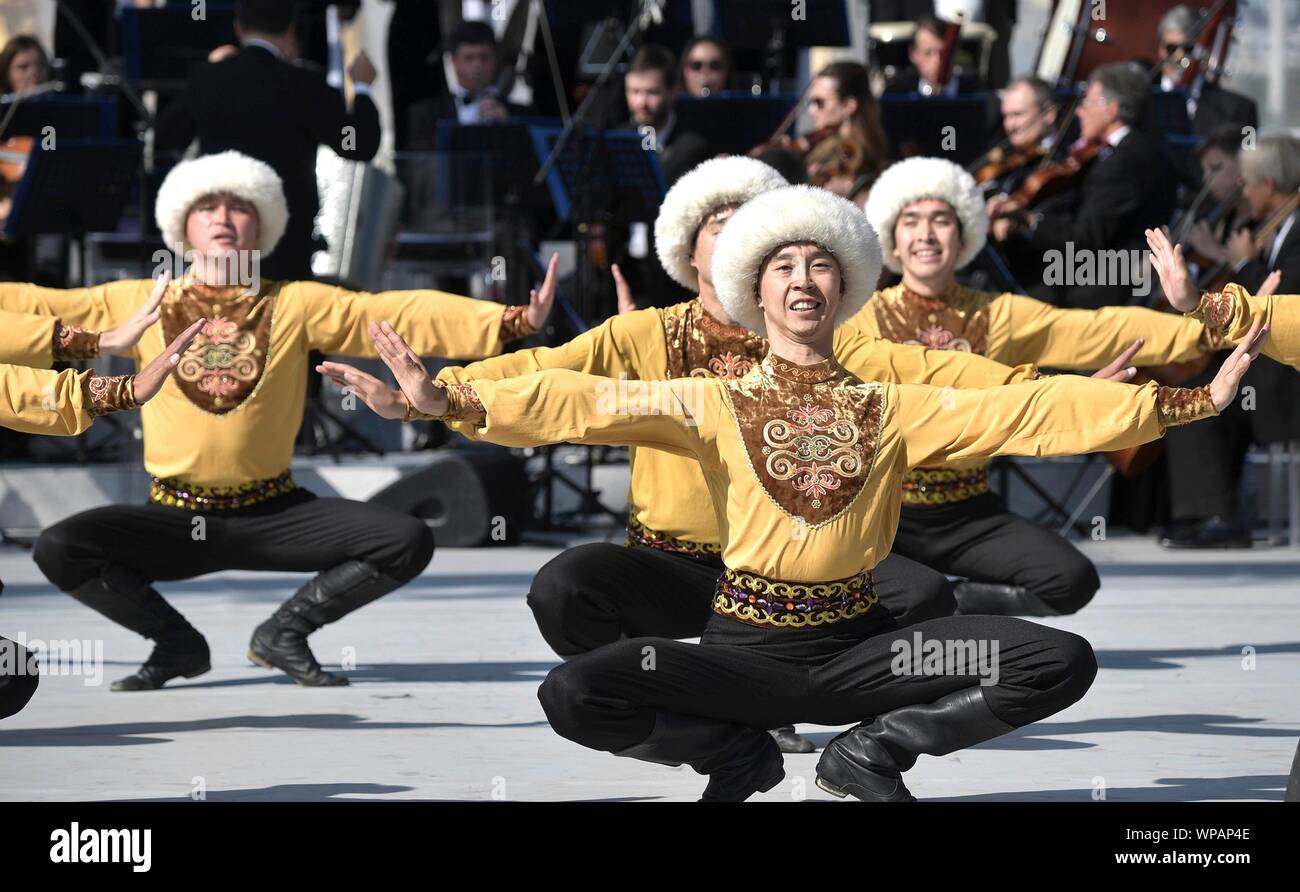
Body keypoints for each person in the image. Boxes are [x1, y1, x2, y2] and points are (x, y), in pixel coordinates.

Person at [367, 184, 1262, 801]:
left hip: (865, 662)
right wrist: (453, 397)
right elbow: (583, 398)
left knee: (1056, 659)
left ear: (844, 286)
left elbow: (1032, 411)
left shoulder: (892, 406)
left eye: (820, 266)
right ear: (755, 291)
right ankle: (733, 753)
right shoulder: (711, 402)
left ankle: (875, 749)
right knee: (576, 692)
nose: (803, 280)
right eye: (783, 267)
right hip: (738, 660)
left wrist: (1186, 400)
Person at [321, 155, 1055, 753]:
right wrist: (439, 392)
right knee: (565, 584)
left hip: (787, 575)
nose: (737, 233)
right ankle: (692, 719)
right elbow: (549, 378)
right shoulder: (646, 335)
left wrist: (1043, 388)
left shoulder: (829, 338)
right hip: (674, 566)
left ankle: (865, 725)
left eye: (753, 223)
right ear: (691, 246)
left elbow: (943, 376)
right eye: (719, 223)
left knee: (921, 592)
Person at [0, 150, 554, 691]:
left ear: (260, 223)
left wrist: (508, 321)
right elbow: (42, 307)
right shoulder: (140, 301)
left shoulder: (292, 302)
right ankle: (176, 642)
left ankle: (284, 630)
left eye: (238, 207)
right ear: (182, 226)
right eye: (206, 207)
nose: (222, 218)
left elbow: (394, 312)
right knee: (60, 546)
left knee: (406, 539)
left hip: (274, 514)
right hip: (173, 516)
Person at [857, 156, 1234, 614]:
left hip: (967, 509)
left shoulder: (999, 313)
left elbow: (1101, 329)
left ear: (964, 233)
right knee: (869, 590)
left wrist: (1220, 322)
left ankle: (953, 606)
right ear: (892, 236)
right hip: (882, 511)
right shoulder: (863, 319)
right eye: (910, 222)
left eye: (941, 220)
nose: (925, 235)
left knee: (1070, 580)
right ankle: (920, 607)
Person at [0, 311, 205, 720]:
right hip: (179, 512)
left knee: (10, 676)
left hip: (253, 513)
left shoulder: (288, 298)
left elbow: (13, 387)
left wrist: (115, 373)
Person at [154, 0, 381, 281]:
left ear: (238, 28)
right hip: (288, 242)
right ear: (290, 31)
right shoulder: (306, 84)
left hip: (222, 243)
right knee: (284, 320)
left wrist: (210, 71)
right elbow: (360, 145)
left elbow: (165, 138)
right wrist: (360, 87)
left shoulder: (208, 78)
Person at [1148, 135, 1300, 548]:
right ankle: (1205, 511)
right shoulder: (1267, 226)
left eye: (1249, 183)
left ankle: (1221, 517)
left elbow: (1281, 307)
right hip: (1268, 361)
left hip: (1287, 372)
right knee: (1198, 388)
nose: (1244, 193)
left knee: (1204, 399)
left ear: (1268, 185)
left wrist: (1244, 263)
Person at [989, 63, 1177, 309]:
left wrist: (1027, 220)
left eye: (1087, 103)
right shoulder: (1126, 150)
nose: (1079, 112)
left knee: (1009, 296)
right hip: (1093, 272)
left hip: (1097, 286)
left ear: (1110, 110)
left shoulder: (1124, 160)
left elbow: (1085, 237)